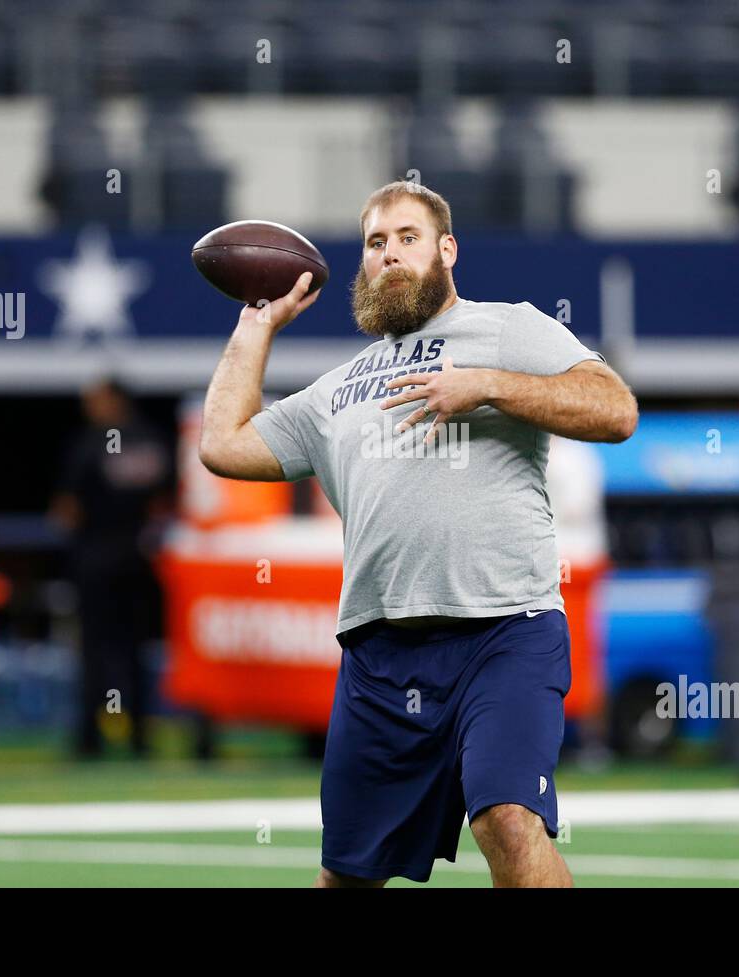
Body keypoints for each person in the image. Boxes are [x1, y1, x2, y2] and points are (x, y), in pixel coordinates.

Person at [199, 181, 639, 887]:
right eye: (376, 243)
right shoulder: (338, 387)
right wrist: (257, 323)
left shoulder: (504, 330)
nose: (391, 254)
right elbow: (223, 443)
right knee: (348, 875)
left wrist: (488, 384)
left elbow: (616, 409)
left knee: (506, 819)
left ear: (446, 249)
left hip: (504, 631)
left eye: (408, 237)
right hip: (381, 654)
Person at [52, 378, 172, 759]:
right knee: (135, 652)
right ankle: (138, 738)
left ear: (113, 400)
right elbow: (164, 505)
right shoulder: (152, 440)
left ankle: (90, 739)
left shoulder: (91, 442)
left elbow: (67, 512)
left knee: (94, 653)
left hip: (98, 562)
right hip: (139, 560)